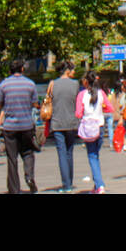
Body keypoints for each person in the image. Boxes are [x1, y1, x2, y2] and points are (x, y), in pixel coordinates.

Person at [0, 58, 39, 193]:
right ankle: (29, 177)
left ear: (10, 71)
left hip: (10, 127)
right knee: (28, 153)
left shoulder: (3, 85)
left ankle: (14, 188)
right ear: (22, 69)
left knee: (12, 158)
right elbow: (35, 103)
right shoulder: (30, 84)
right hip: (26, 125)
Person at [76, 72, 114, 193]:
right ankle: (97, 184)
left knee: (92, 156)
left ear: (86, 82)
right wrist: (100, 109)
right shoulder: (101, 93)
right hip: (100, 126)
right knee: (95, 156)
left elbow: (78, 113)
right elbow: (110, 108)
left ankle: (99, 184)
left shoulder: (82, 95)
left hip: (88, 127)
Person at [48, 60, 81, 192]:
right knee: (69, 152)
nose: (74, 72)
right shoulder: (75, 84)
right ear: (67, 70)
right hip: (72, 122)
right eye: (72, 70)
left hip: (57, 122)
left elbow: (48, 100)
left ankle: (65, 184)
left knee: (61, 153)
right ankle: (70, 182)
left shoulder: (53, 84)